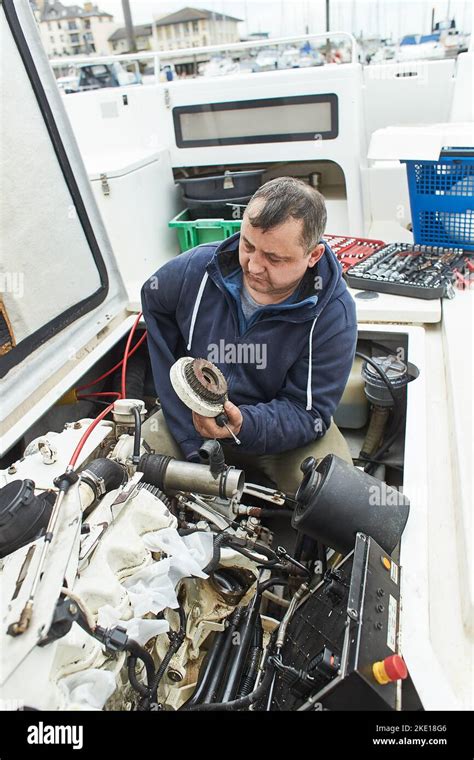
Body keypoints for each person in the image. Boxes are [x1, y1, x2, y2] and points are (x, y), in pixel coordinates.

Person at [141, 177, 357, 496]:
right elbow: (153, 297)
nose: (254, 266)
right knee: (137, 462)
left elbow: (307, 412)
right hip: (191, 420)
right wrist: (183, 407)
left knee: (336, 497)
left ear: (313, 256)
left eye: (274, 258)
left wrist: (244, 423)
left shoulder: (333, 315)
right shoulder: (195, 269)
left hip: (282, 434)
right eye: (248, 245)